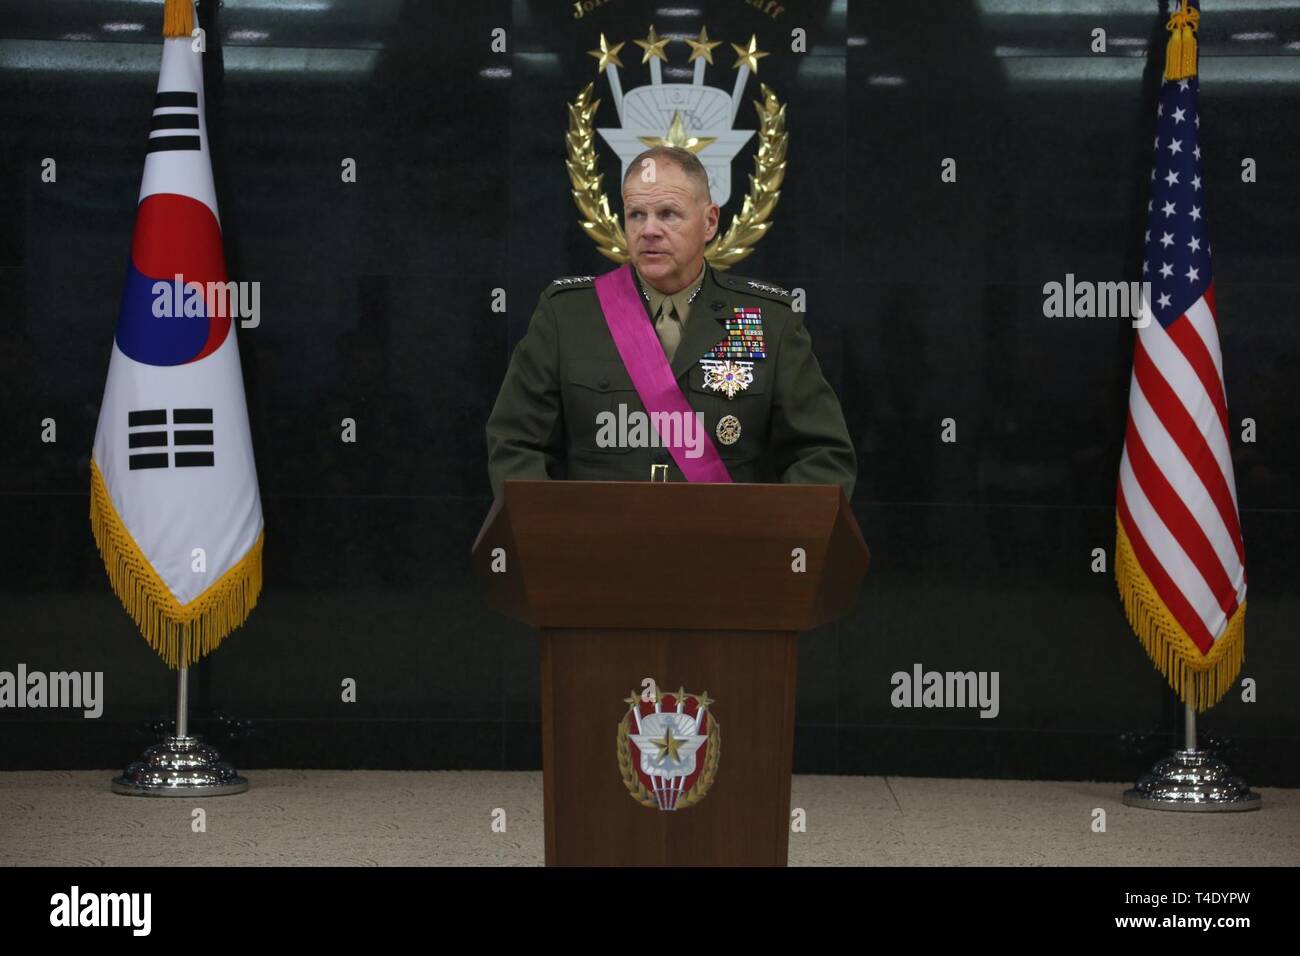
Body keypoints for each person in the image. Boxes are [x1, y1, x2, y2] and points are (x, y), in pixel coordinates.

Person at [486, 145, 856, 500]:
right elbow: (516, 442)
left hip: (725, 553)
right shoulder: (566, 316)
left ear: (709, 222)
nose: (648, 230)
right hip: (600, 554)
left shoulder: (766, 320)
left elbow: (821, 454)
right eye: (636, 215)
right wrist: (552, 536)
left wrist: (776, 539)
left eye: (668, 214)